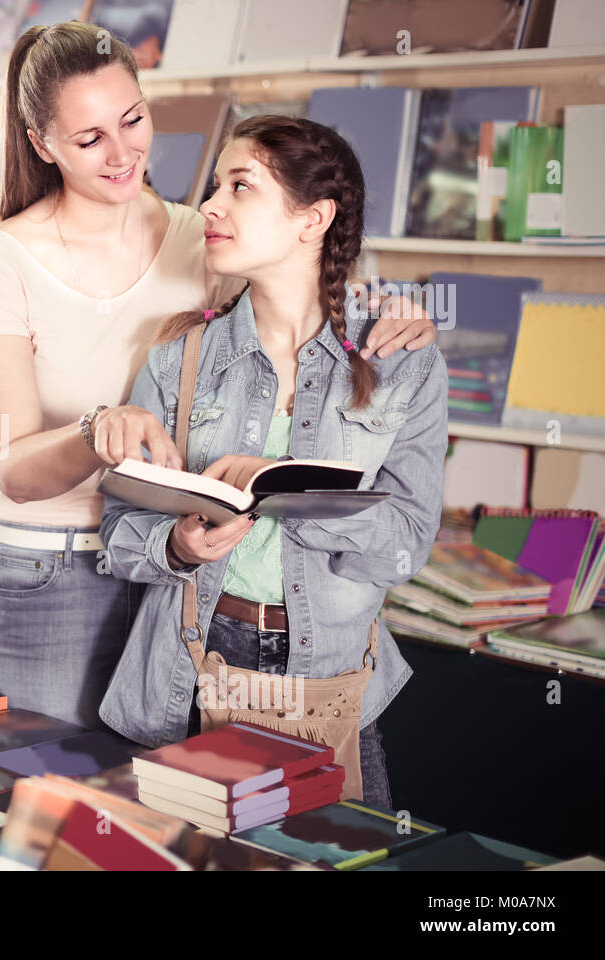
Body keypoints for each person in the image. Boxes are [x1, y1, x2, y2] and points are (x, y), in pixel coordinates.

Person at [0, 20, 436, 729]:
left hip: (182, 576)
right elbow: (12, 469)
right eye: (90, 140)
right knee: (52, 797)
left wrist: (388, 306)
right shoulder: (1, 259)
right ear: (42, 144)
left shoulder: (201, 237)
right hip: (54, 566)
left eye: (133, 120)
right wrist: (97, 432)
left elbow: (299, 282)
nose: (124, 154)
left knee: (158, 810)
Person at [98, 115, 449, 808]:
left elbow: (408, 543)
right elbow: (116, 536)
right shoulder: (177, 359)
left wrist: (298, 504)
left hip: (332, 678)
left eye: (241, 186)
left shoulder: (404, 361)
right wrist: (178, 543)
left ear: (312, 219)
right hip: (190, 670)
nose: (210, 206)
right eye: (214, 184)